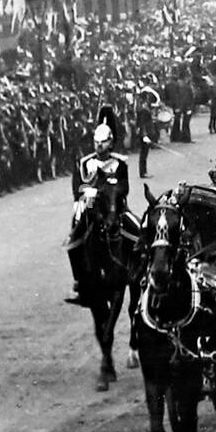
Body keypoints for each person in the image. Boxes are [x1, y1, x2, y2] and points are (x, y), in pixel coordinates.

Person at [64, 106, 129, 305]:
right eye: (96, 143)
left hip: (113, 208)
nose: (99, 147)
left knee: (135, 232)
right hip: (90, 207)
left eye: (103, 143)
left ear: (110, 143)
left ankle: (135, 270)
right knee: (73, 243)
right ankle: (79, 282)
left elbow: (124, 187)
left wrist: (112, 192)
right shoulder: (85, 163)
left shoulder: (120, 163)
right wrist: (84, 194)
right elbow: (78, 185)